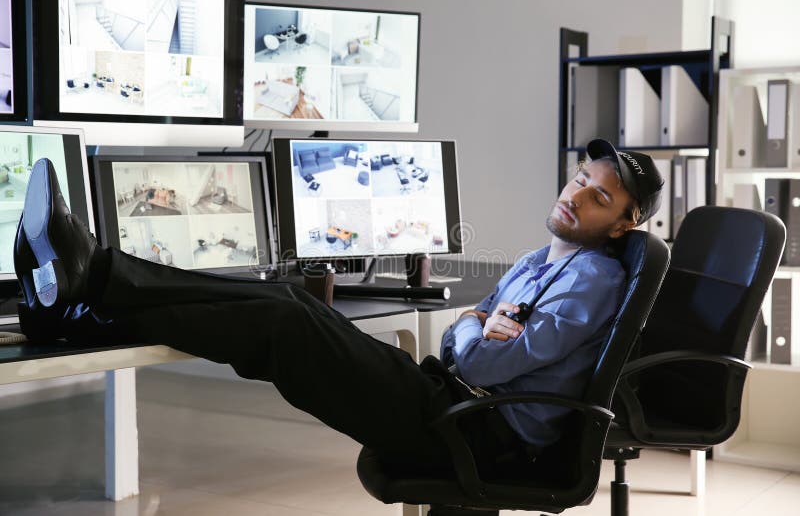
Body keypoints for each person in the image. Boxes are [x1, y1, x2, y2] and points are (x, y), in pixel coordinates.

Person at [13, 138, 663, 476]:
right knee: (293, 303)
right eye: (582, 178)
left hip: (474, 425)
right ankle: (89, 292)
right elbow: (466, 340)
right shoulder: (533, 260)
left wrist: (474, 334)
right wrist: (475, 328)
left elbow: (489, 364)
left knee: (286, 323)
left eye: (599, 198)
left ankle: (93, 278)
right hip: (450, 396)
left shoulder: (595, 279)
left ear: (622, 224)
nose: (577, 195)